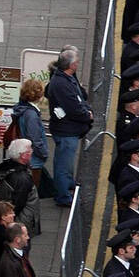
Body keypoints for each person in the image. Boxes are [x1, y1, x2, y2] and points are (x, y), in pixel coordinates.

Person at [46, 47, 93, 207]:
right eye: (77, 62)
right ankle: (63, 196)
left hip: (68, 130)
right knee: (63, 165)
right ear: (71, 65)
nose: (79, 64)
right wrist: (87, 115)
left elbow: (78, 96)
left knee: (66, 162)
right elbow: (73, 107)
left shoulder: (66, 78)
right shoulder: (61, 84)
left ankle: (68, 184)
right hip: (66, 131)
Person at [10, 79, 49, 194]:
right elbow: (35, 139)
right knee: (32, 191)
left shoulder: (23, 109)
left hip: (28, 154)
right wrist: (44, 153)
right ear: (38, 95)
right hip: (34, 158)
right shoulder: (31, 115)